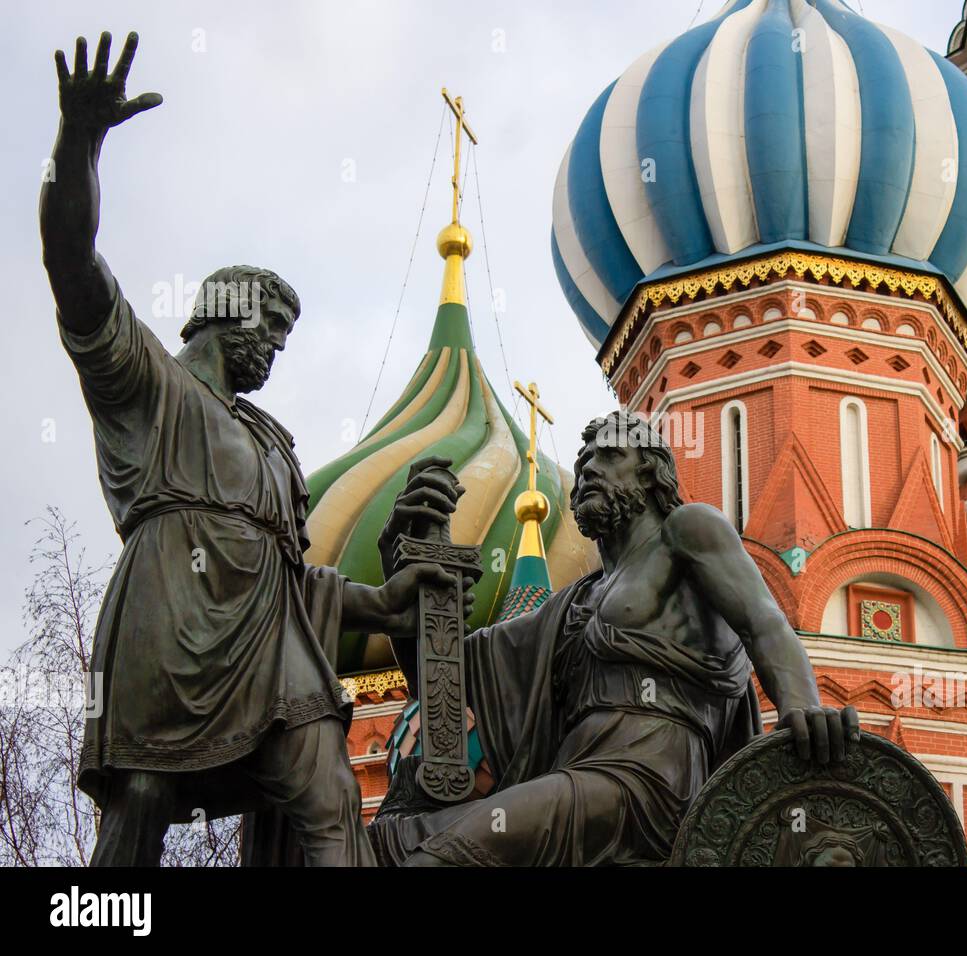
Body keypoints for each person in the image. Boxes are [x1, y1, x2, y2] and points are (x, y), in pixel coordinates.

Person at [40, 32, 454, 866]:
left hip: (270, 648)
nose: (276, 346)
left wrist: (384, 598)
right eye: (269, 325)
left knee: (329, 790)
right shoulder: (148, 382)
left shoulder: (274, 442)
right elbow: (72, 264)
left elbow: (295, 579)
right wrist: (79, 142)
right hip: (168, 623)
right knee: (142, 807)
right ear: (220, 312)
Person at [369, 411, 859, 866]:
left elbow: (763, 621)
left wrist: (801, 705)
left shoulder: (685, 531)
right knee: (381, 845)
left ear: (650, 473)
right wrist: (404, 574)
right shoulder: (571, 605)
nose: (588, 469)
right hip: (574, 779)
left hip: (648, 783)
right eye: (582, 461)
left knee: (439, 858)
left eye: (608, 455)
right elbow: (440, 681)